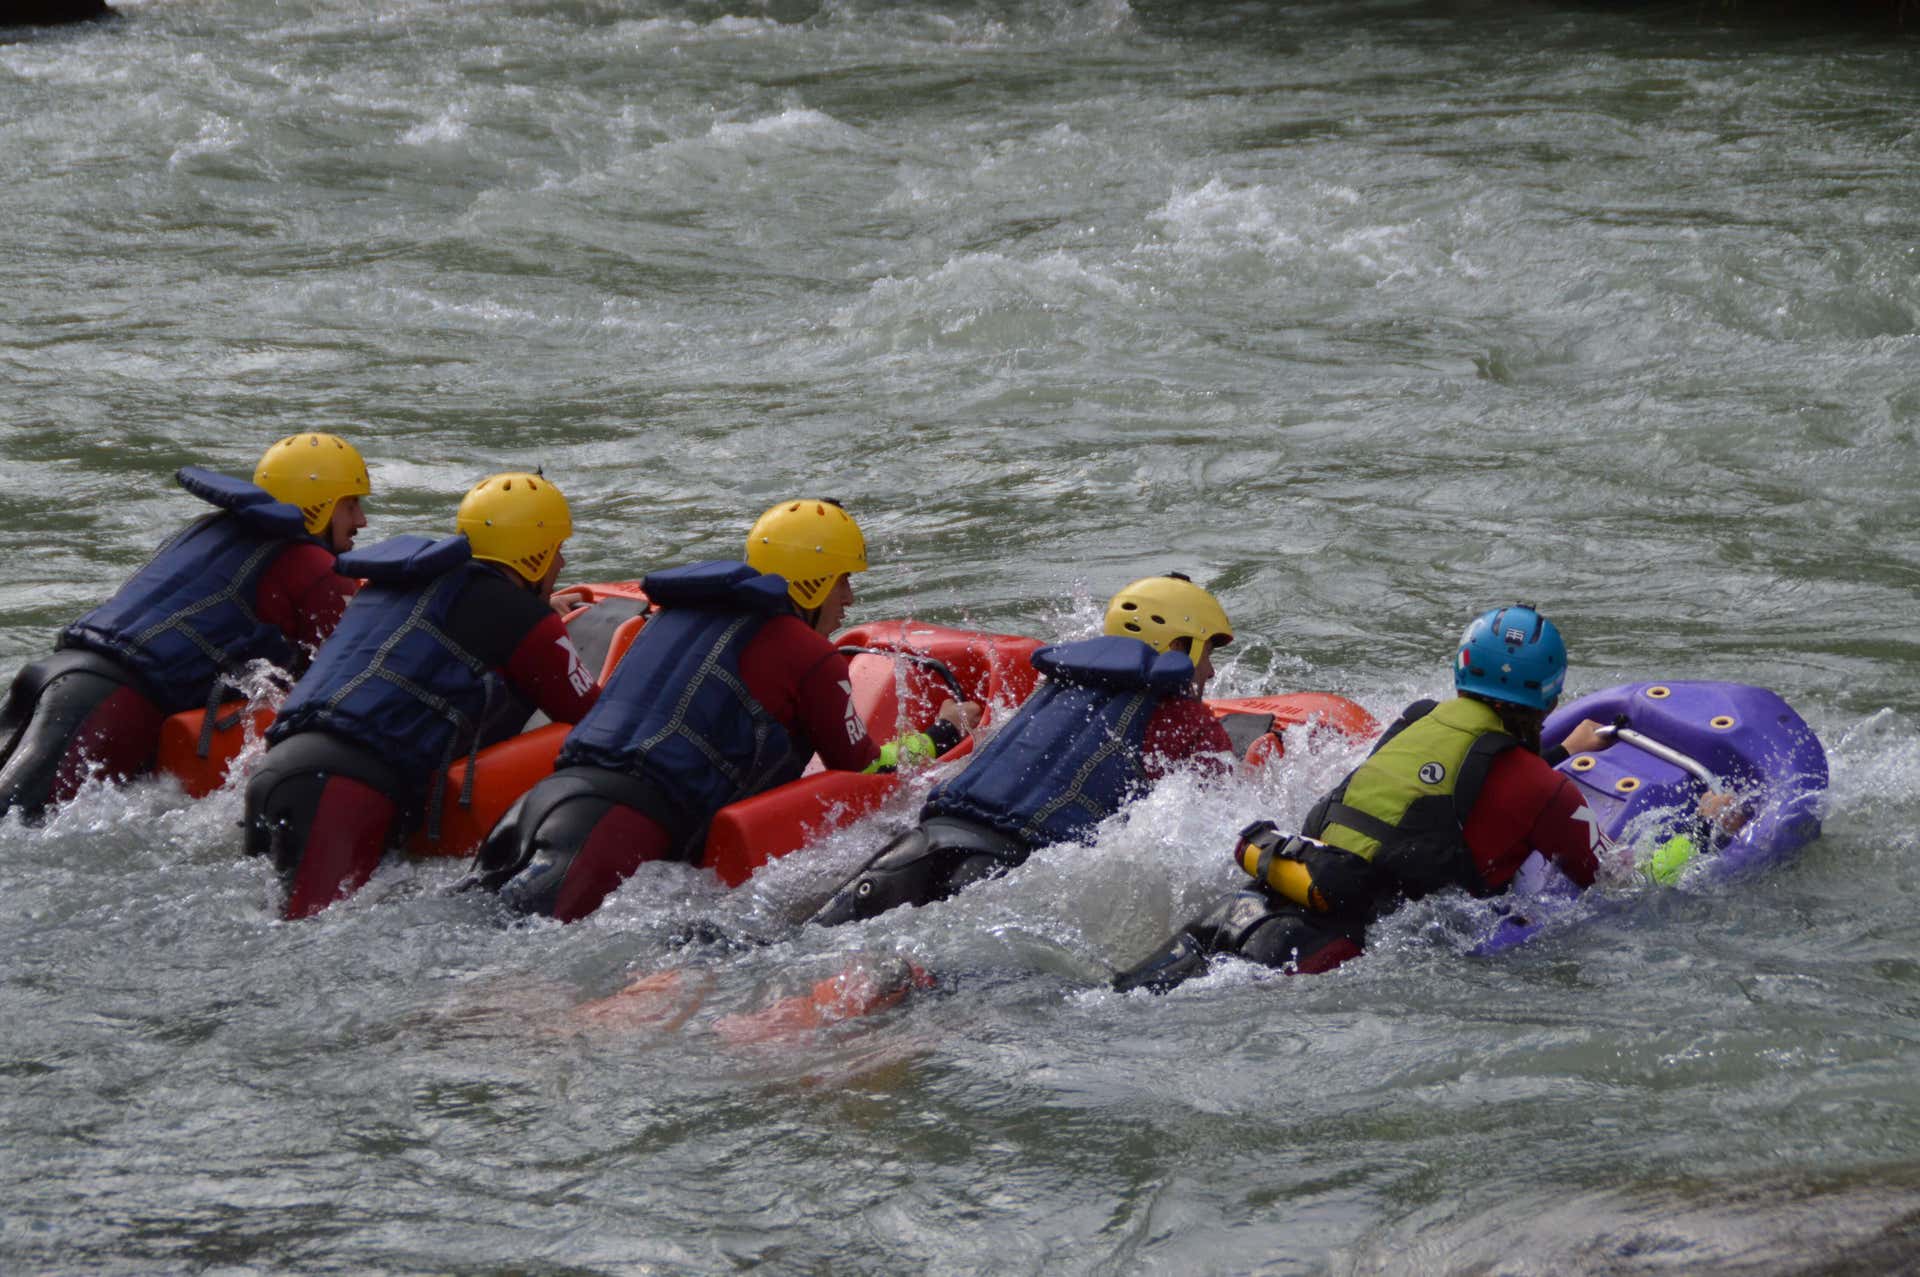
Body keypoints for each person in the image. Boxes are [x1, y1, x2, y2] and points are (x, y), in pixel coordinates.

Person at [465, 498, 982, 922]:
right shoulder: (806, 653)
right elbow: (867, 767)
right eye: (842, 579)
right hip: (610, 834)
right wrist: (941, 732)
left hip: (539, 805)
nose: (849, 598)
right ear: (814, 582)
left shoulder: (668, 619)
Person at [1111, 603, 1618, 992]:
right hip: (1323, 948)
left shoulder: (1417, 719)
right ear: (1552, 692)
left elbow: (1445, 777)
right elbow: (1615, 880)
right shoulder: (1545, 789)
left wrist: (1554, 753)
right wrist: (1698, 830)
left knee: (1111, 1001)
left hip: (1248, 903)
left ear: (1462, 668)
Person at [244, 472, 600, 919]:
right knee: (301, 944)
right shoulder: (520, 616)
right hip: (340, 791)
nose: (562, 564)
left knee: (264, 921)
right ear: (536, 552)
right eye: (558, 550)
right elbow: (592, 719)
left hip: (274, 769)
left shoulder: (396, 585)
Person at [809, 573, 1238, 927]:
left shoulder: (1057, 683)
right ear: (1180, 647)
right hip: (997, 873)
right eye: (1208, 652)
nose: (1212, 670)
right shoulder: (1185, 718)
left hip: (918, 845)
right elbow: (1217, 822)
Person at [0, 434, 370, 820]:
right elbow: (353, 669)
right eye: (351, 504)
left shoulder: (205, 529)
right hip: (110, 707)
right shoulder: (310, 565)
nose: (361, 520)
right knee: (18, 825)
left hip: (53, 675)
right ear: (322, 504)